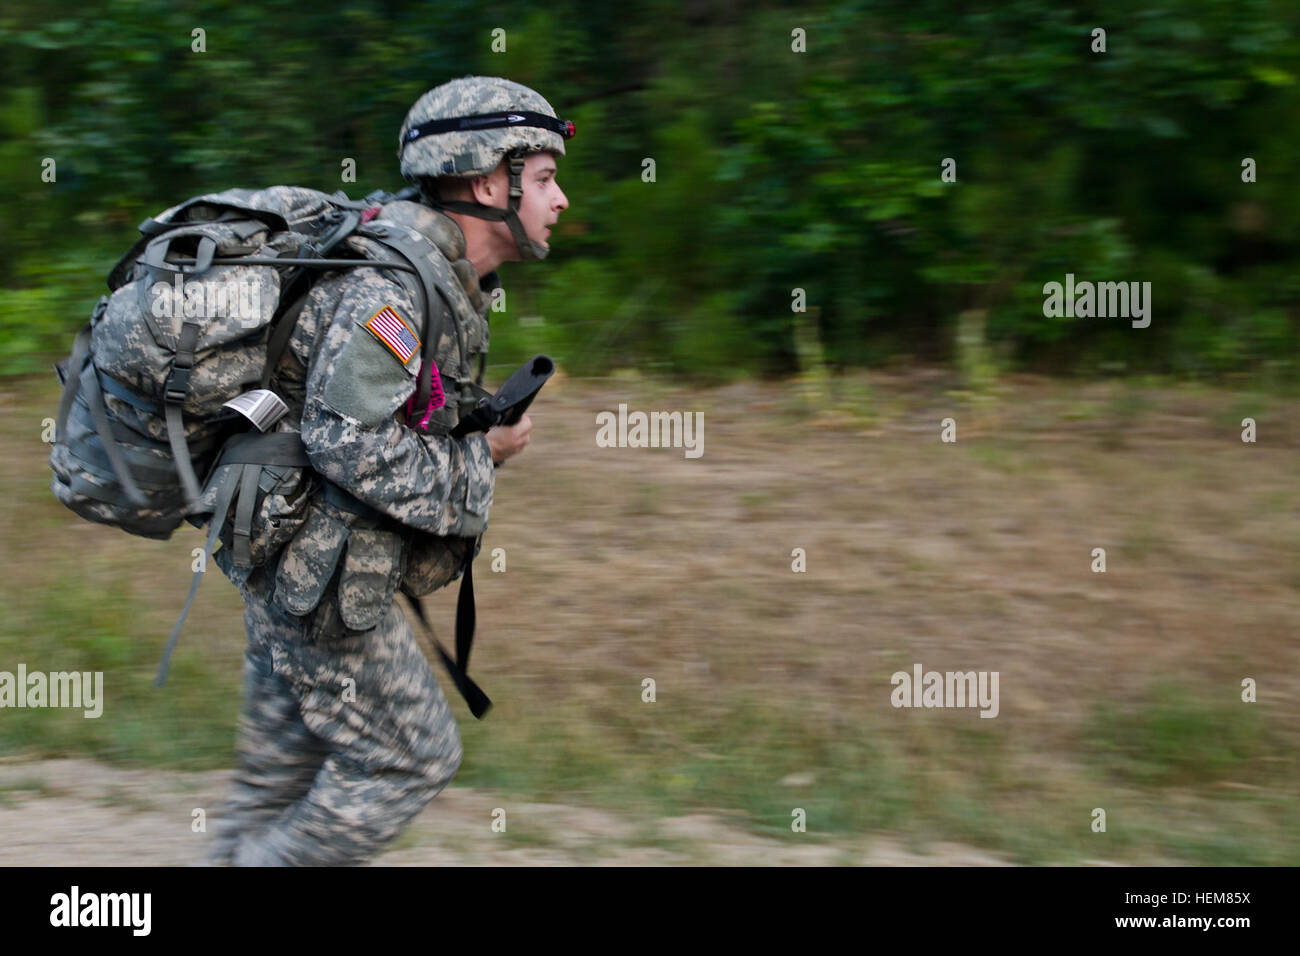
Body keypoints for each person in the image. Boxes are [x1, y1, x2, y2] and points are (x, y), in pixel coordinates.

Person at [203, 75, 571, 866]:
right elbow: (346, 443)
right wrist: (482, 456)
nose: (561, 198)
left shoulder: (436, 277)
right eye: (543, 178)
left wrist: (466, 423)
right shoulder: (393, 290)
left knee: (273, 784)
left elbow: (378, 417)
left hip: (288, 572)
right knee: (410, 760)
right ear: (485, 182)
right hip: (314, 587)